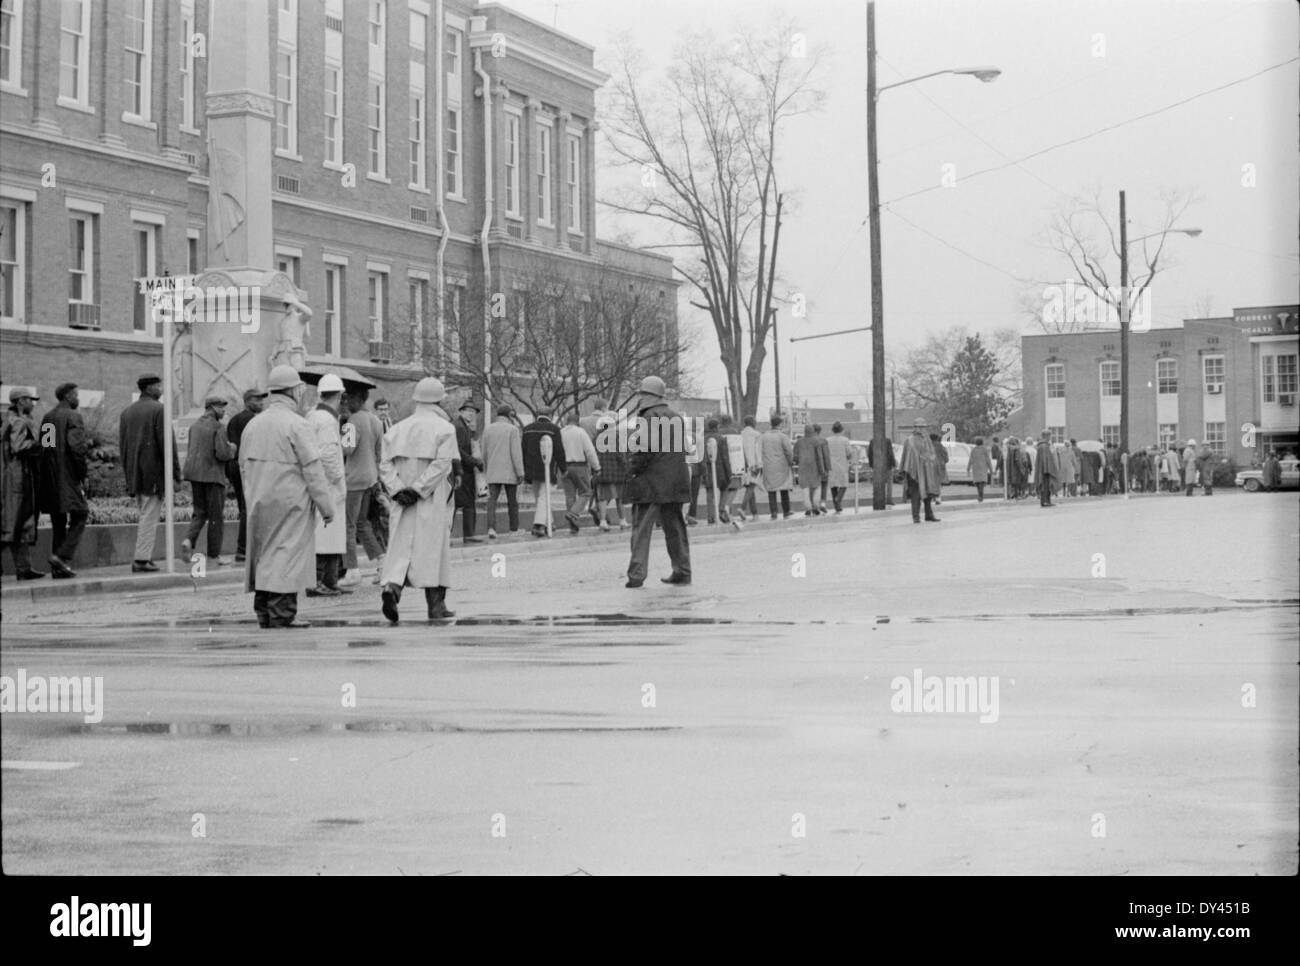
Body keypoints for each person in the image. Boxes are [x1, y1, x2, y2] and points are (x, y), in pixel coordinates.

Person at [240, 365, 334, 629]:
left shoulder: (253, 425)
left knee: (264, 555)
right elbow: (313, 471)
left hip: (259, 498)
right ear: (294, 390)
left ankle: (264, 610)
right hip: (291, 501)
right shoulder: (298, 425)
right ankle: (282, 613)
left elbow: (242, 466)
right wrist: (327, 507)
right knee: (286, 555)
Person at [378, 377, 459, 623]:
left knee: (401, 547)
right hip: (431, 497)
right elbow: (442, 465)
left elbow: (384, 464)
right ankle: (436, 605)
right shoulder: (445, 429)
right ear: (439, 400)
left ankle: (392, 588)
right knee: (434, 551)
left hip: (401, 499)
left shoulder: (397, 429)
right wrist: (419, 489)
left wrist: (397, 489)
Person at [624, 375, 691, 588]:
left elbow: (643, 450)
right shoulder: (676, 417)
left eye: (642, 394)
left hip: (651, 483)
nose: (640, 397)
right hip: (675, 481)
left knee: (642, 530)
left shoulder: (648, 417)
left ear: (651, 396)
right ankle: (682, 570)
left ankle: (636, 575)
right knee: (675, 529)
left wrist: (632, 469)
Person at [119, 375, 179, 572]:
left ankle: (144, 556)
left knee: (145, 513)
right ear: (150, 388)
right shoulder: (159, 409)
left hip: (135, 473)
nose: (161, 389)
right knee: (149, 516)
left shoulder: (127, 412)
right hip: (153, 474)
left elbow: (123, 446)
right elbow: (167, 444)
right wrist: (176, 473)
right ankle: (142, 559)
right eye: (159, 385)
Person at [40, 382, 92, 578]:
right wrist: (82, 475)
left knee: (58, 520)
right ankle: (61, 556)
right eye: (76, 395)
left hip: (51, 477)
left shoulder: (48, 418)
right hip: (68, 476)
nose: (78, 398)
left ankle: (57, 569)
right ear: (69, 396)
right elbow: (77, 448)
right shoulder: (73, 416)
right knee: (81, 513)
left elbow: (46, 448)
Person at [306, 373, 349, 597]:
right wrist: (339, 482)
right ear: (340, 395)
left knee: (330, 535)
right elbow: (329, 455)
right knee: (326, 535)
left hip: (318, 482)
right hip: (328, 484)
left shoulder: (314, 415)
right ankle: (319, 581)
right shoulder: (326, 420)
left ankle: (329, 579)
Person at [338, 387, 386, 584]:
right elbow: (379, 452)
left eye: (347, 399)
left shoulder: (352, 421)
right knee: (363, 523)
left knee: (348, 526)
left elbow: (347, 449)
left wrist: (338, 437)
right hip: (370, 478)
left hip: (353, 480)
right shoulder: (376, 420)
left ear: (356, 399)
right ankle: (382, 562)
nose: (345, 403)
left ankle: (352, 570)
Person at [181, 395, 236, 564]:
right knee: (215, 517)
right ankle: (214, 555)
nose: (223, 411)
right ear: (211, 407)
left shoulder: (194, 426)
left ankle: (188, 540)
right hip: (213, 476)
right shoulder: (218, 427)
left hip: (195, 475)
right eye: (221, 407)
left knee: (199, 513)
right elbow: (222, 453)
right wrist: (232, 448)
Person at [2, 387, 45, 579]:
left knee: (16, 524)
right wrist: (40, 444)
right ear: (20, 401)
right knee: (16, 523)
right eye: (29, 400)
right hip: (19, 479)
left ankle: (24, 568)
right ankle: (23, 568)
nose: (32, 404)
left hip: (11, 477)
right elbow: (18, 447)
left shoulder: (8, 419)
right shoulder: (19, 421)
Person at [226, 387, 266, 562]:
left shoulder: (235, 419)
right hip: (246, 466)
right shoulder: (251, 420)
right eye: (257, 400)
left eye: (261, 400)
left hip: (234, 465)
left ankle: (243, 548)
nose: (261, 403)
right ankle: (243, 549)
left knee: (245, 505)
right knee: (248, 507)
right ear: (248, 401)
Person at [481, 404, 525, 537]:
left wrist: (486, 468)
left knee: (491, 501)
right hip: (509, 471)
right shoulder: (513, 430)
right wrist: (520, 472)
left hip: (493, 471)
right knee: (512, 502)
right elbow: (516, 453)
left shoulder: (488, 429)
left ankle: (491, 529)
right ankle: (513, 529)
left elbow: (484, 452)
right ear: (509, 415)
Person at [521, 408, 564, 537]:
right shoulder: (554, 429)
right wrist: (563, 469)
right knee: (544, 497)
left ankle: (550, 522)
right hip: (548, 468)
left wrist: (524, 470)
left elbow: (523, 451)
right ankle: (539, 525)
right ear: (550, 415)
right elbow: (559, 451)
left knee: (539, 497)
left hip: (531, 470)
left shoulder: (527, 429)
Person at [559, 411, 600, 533]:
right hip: (580, 466)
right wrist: (596, 467)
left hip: (564, 467)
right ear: (577, 422)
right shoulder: (581, 432)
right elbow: (589, 451)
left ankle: (573, 525)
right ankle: (573, 514)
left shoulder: (560, 433)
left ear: (567, 422)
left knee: (569, 495)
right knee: (586, 492)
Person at [452, 397, 484, 543]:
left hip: (465, 470)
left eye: (473, 412)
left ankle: (468, 534)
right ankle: (468, 535)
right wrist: (474, 461)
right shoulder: (459, 426)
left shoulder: (464, 426)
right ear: (461, 412)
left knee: (463, 504)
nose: (471, 414)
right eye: (468, 411)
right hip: (461, 471)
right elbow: (457, 450)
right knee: (462, 504)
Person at [592, 410, 629, 531]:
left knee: (602, 498)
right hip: (617, 472)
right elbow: (620, 455)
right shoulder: (615, 437)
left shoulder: (596, 438)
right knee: (619, 498)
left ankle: (603, 522)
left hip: (601, 472)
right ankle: (622, 521)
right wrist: (626, 467)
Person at [901, 419, 942, 523]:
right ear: (915, 427)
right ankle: (916, 516)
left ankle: (929, 515)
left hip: (927, 470)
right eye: (920, 427)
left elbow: (931, 453)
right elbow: (907, 456)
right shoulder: (909, 440)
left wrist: (932, 462)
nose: (923, 429)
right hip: (914, 472)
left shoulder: (927, 439)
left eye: (924, 427)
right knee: (916, 495)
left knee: (928, 494)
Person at [760, 415, 795, 519]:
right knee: (784, 489)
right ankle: (786, 511)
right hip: (782, 466)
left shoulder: (764, 436)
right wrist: (790, 462)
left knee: (771, 490)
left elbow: (760, 451)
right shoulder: (783, 436)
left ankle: (774, 512)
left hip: (768, 465)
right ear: (780, 424)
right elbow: (789, 452)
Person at [700, 418, 733, 524]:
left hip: (707, 470)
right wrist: (729, 472)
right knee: (724, 489)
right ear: (717, 426)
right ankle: (721, 510)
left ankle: (710, 517)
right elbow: (725, 457)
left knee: (710, 493)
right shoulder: (721, 439)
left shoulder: (703, 439)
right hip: (721, 470)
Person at [793, 425, 826, 517]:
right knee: (816, 487)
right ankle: (815, 505)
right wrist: (822, 470)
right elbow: (819, 457)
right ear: (812, 431)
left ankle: (808, 508)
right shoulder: (816, 442)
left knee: (805, 489)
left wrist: (797, 461)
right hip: (814, 468)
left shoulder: (799, 442)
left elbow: (795, 457)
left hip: (803, 468)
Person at [825, 422, 852, 513]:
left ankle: (837, 506)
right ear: (841, 430)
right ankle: (838, 499)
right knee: (844, 484)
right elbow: (849, 453)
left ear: (833, 430)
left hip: (831, 465)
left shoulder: (827, 440)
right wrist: (849, 457)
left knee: (833, 486)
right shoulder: (845, 440)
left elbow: (826, 452)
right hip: (842, 465)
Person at [739, 414, 763, 519]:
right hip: (754, 465)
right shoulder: (757, 435)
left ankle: (755, 513)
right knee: (751, 486)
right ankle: (742, 508)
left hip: (743, 464)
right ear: (753, 423)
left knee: (750, 488)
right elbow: (758, 451)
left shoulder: (740, 434)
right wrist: (760, 464)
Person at [867, 436, 896, 505]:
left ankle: (878, 499)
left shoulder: (872, 441)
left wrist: (871, 464)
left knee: (878, 483)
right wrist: (893, 463)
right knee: (889, 483)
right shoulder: (887, 441)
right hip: (887, 465)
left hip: (877, 465)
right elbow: (890, 453)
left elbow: (870, 453)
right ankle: (889, 499)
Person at [1034, 431, 1060, 507]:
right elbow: (1046, 459)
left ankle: (1046, 501)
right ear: (1046, 436)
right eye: (1049, 436)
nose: (1050, 438)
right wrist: (1048, 469)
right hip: (1046, 470)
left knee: (1045, 485)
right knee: (1045, 485)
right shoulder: (1044, 446)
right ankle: (1045, 501)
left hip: (1043, 469)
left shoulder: (1042, 445)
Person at [813, 424, 832, 512]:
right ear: (819, 431)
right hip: (822, 467)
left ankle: (814, 505)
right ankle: (822, 503)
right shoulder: (823, 441)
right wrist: (827, 467)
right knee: (824, 485)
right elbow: (826, 455)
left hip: (811, 468)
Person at [969, 436, 992, 502]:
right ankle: (980, 495)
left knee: (977, 482)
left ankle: (980, 495)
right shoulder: (985, 450)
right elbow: (988, 459)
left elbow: (971, 459)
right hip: (983, 468)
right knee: (982, 482)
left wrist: (968, 468)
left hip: (975, 468)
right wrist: (990, 469)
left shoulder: (973, 450)